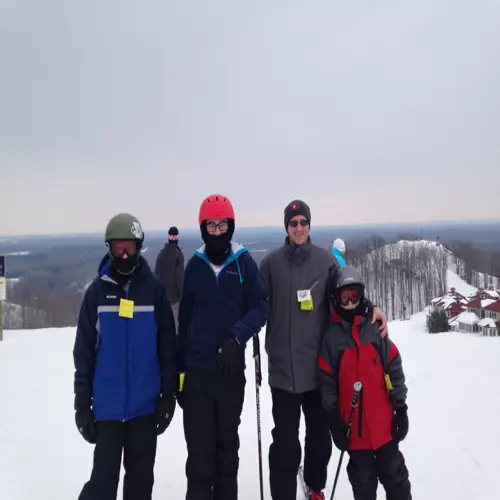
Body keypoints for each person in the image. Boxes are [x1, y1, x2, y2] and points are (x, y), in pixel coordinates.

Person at [259, 199, 388, 500]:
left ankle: (315, 487)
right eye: (294, 223)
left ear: (309, 225)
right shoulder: (271, 264)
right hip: (283, 371)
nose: (299, 228)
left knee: (319, 440)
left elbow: (347, 296)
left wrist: (372, 307)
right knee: (286, 443)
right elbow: (253, 302)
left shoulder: (325, 262)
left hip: (319, 371)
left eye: (303, 222)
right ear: (286, 227)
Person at [73, 213, 177, 500]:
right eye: (118, 248)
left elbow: (168, 346)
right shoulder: (97, 293)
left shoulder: (153, 289)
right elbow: (83, 352)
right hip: (107, 408)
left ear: (139, 246)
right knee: (103, 484)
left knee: (141, 484)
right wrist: (82, 403)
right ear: (109, 248)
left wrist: (168, 393)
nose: (124, 254)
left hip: (144, 407)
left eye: (129, 247)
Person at [176, 194, 268, 500]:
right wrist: (179, 373)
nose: (217, 231)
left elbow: (260, 307)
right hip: (198, 373)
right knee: (200, 454)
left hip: (230, 372)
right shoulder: (195, 267)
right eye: (211, 226)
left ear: (230, 227)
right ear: (203, 229)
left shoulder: (243, 263)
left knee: (227, 451)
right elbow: (184, 320)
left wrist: (236, 337)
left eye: (222, 225)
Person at [318, 266, 411, 500]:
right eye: (344, 297)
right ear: (336, 299)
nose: (350, 303)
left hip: (384, 427)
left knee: (396, 479)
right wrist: (334, 422)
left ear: (362, 296)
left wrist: (400, 408)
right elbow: (327, 383)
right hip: (354, 432)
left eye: (355, 296)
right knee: (364, 484)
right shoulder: (332, 339)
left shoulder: (374, 328)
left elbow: (393, 368)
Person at [155, 225, 185, 328]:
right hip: (173, 300)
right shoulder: (178, 255)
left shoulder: (161, 254)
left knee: (162, 328)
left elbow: (156, 275)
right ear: (177, 238)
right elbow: (179, 278)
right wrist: (184, 296)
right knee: (174, 328)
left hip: (160, 299)